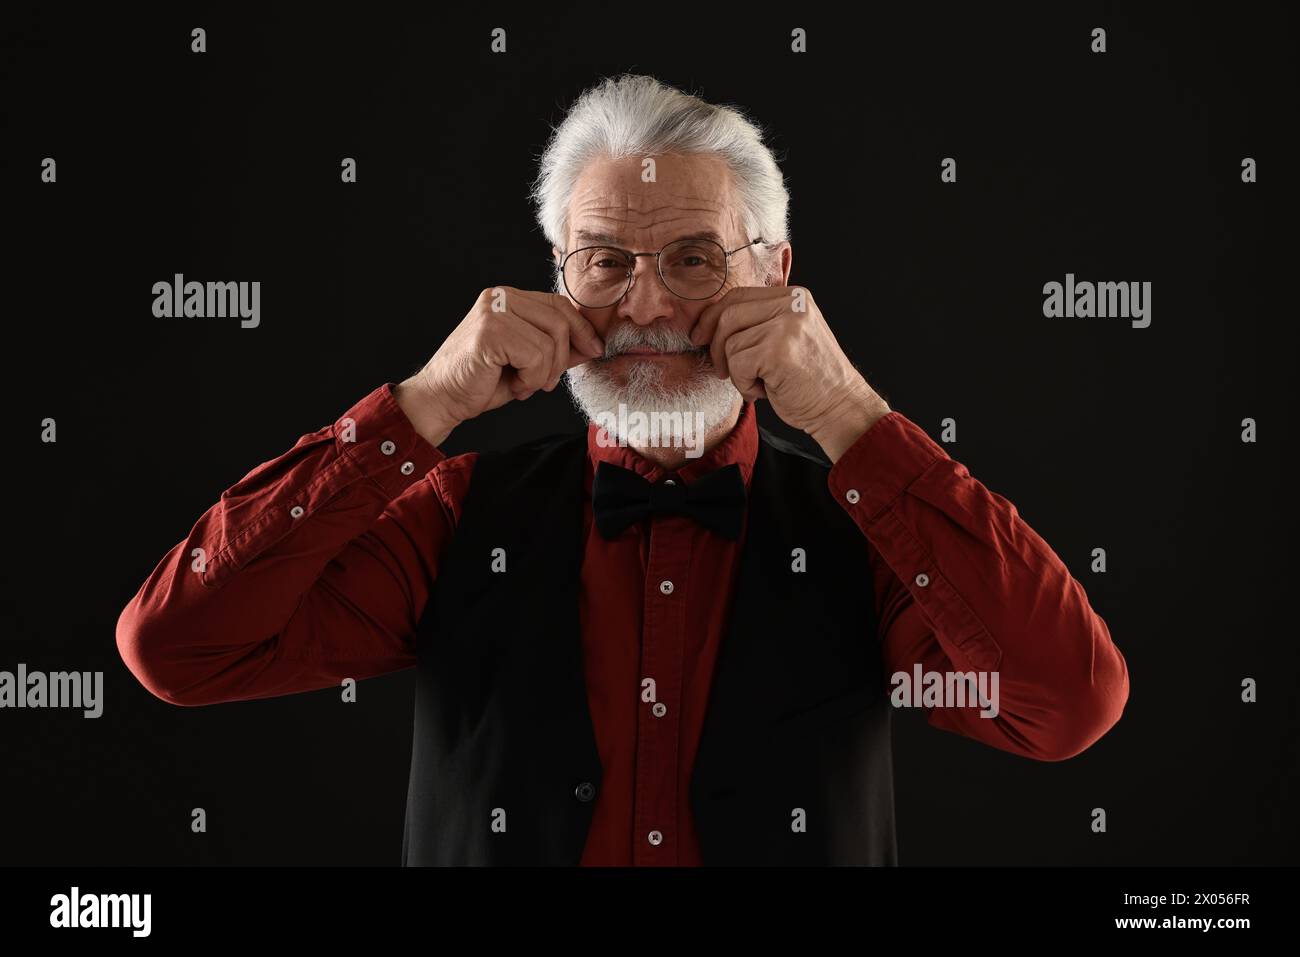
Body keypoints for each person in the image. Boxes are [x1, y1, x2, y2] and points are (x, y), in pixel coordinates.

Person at [117, 74, 1129, 866]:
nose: (645, 306)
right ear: (556, 277)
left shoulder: (865, 534)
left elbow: (1065, 705)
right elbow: (179, 647)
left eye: (694, 259)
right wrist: (425, 405)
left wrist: (850, 417)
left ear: (773, 277)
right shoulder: (454, 516)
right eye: (604, 261)